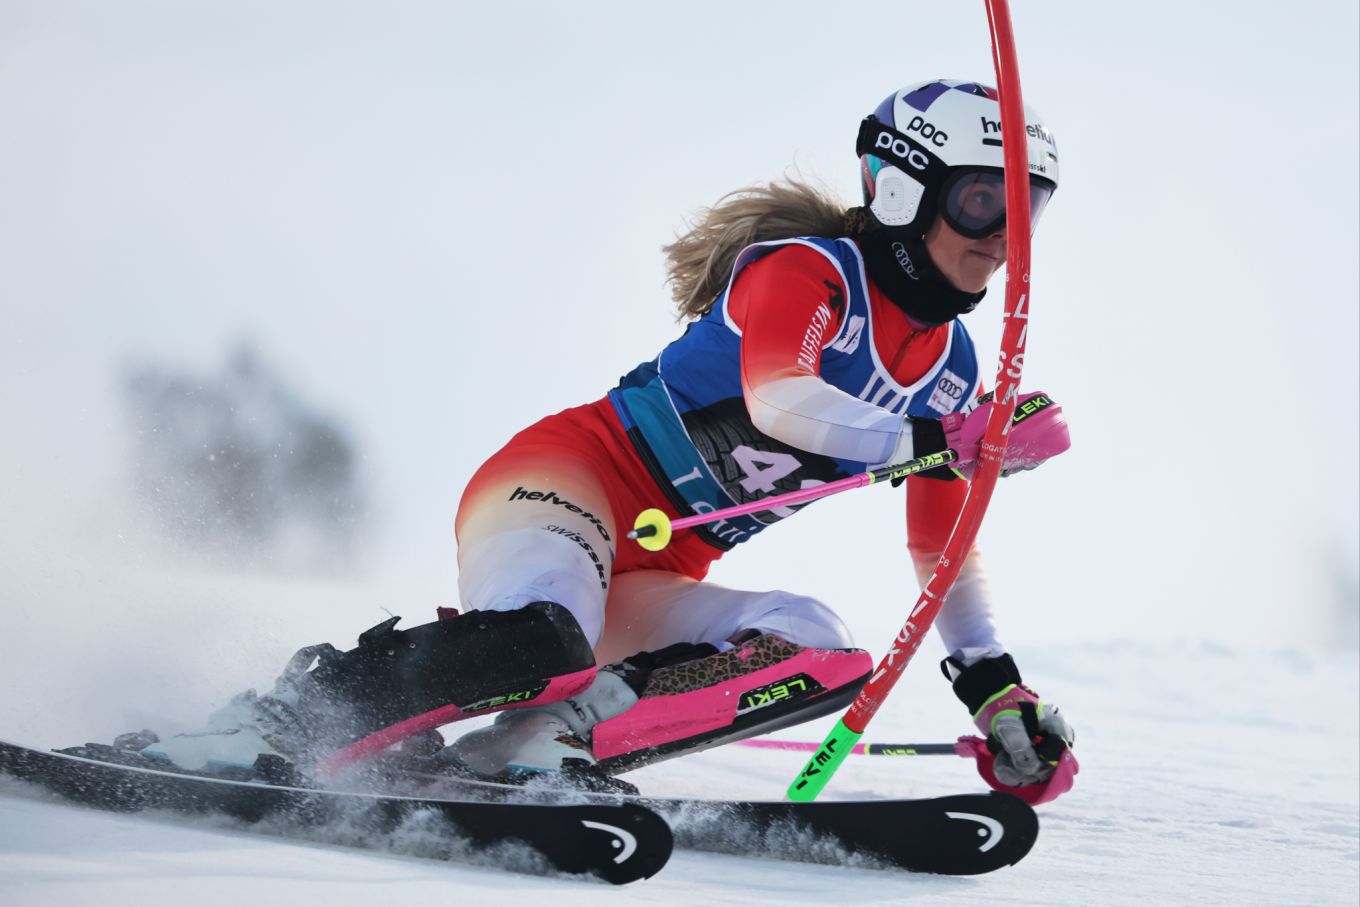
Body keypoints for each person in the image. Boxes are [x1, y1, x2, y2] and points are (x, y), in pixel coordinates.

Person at [139, 79, 1075, 800]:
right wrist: (941, 435)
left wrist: (997, 694)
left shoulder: (951, 370)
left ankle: (536, 744)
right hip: (563, 486)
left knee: (815, 645)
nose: (1003, 239)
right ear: (907, 189)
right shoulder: (807, 274)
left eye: (1026, 210)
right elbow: (784, 398)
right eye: (982, 203)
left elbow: (939, 550)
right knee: (546, 635)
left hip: (652, 570)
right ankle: (277, 720)